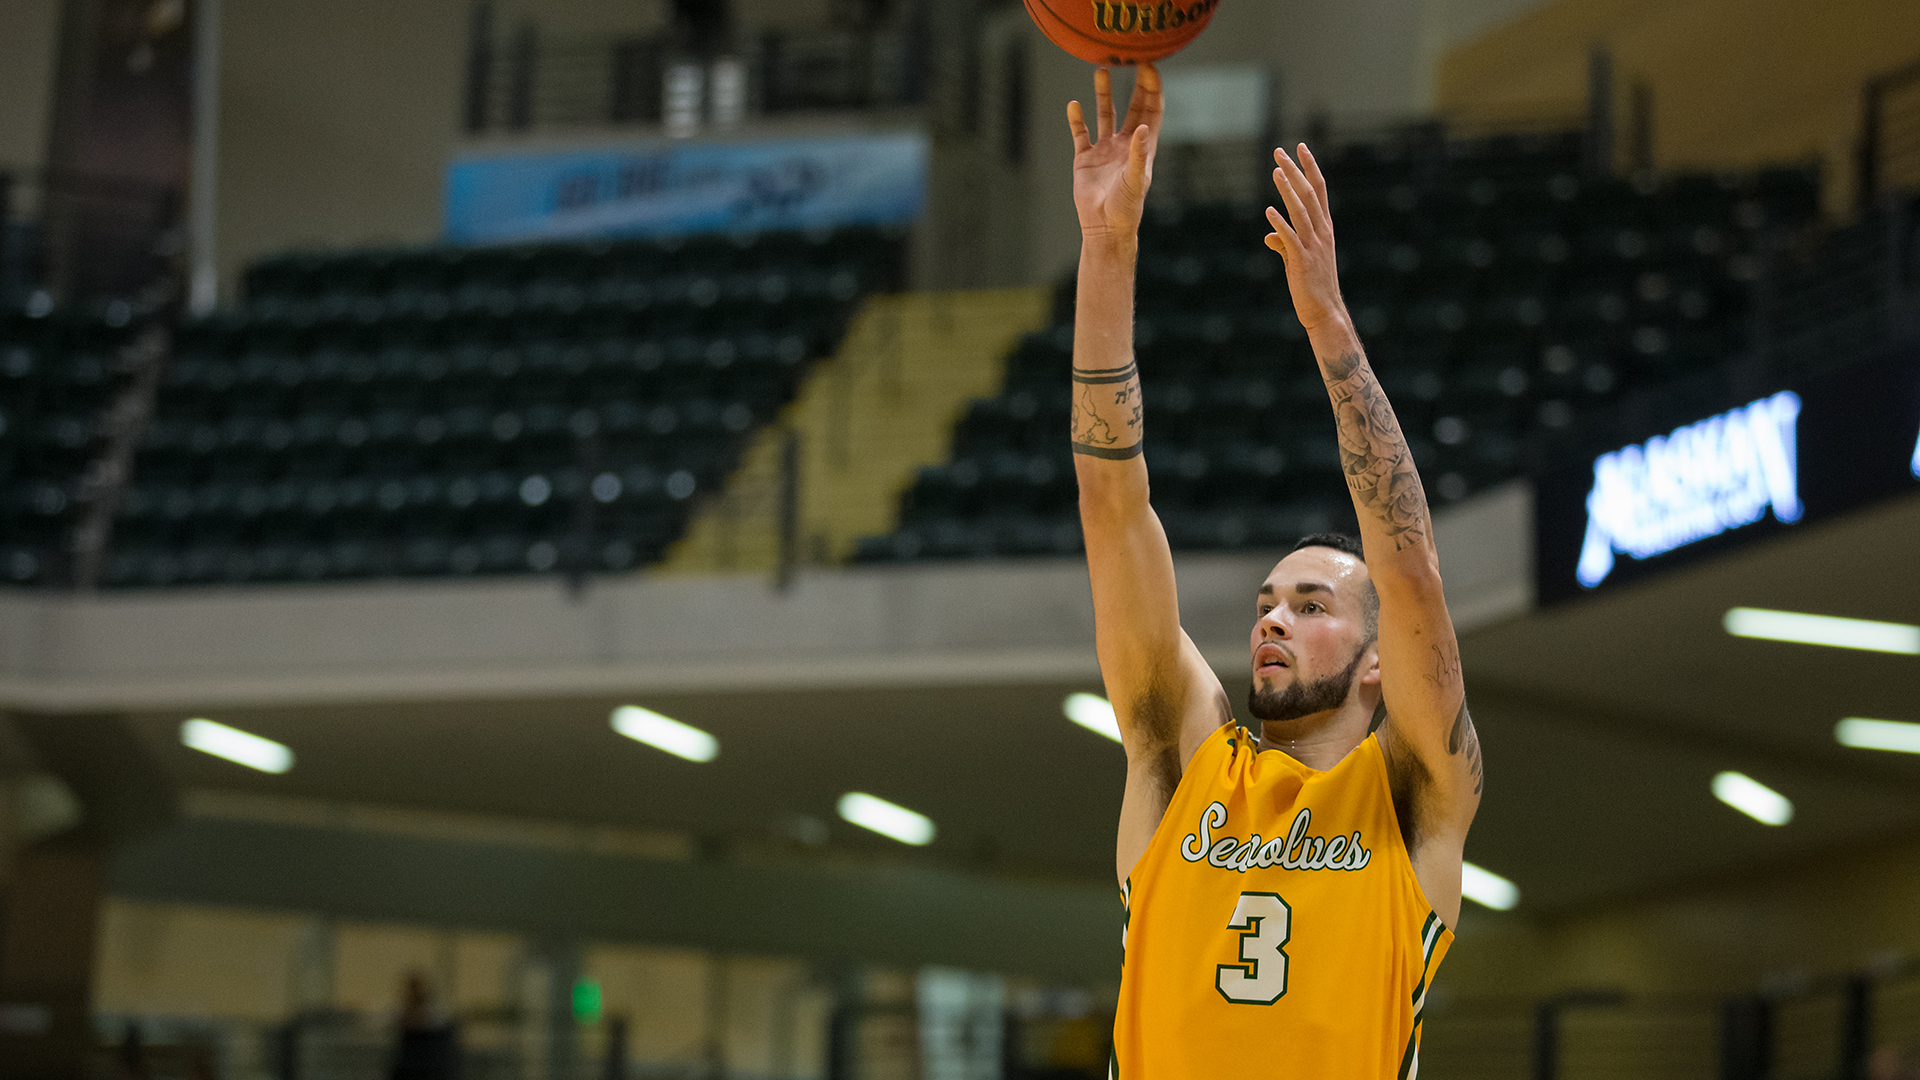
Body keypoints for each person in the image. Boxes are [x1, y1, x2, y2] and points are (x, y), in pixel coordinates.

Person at [1064, 65, 1483, 1078]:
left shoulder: (1413, 791)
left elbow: (1411, 571)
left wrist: (1329, 325)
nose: (1273, 621)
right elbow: (1112, 507)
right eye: (1266, 605)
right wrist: (1108, 247)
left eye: (1310, 604)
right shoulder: (1182, 758)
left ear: (1379, 660)